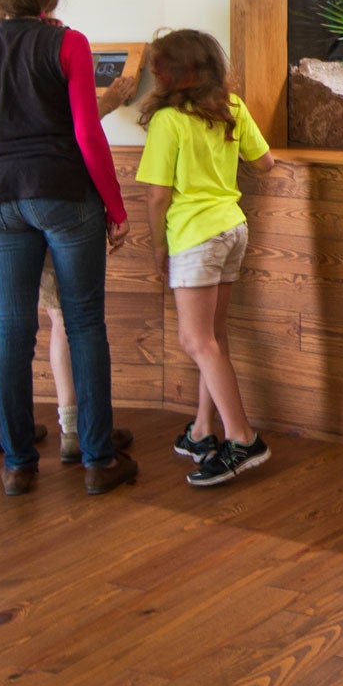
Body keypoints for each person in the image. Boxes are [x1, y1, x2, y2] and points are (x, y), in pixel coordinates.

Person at [0, 0, 135, 495]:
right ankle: (98, 460)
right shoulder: (68, 43)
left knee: (12, 327)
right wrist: (115, 207)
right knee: (82, 324)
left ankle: (17, 465)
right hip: (65, 195)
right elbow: (86, 133)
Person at [136, 29, 272, 488]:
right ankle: (201, 430)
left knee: (196, 342)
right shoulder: (232, 108)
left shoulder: (168, 122)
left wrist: (159, 248)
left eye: (159, 66)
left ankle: (243, 437)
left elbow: (157, 197)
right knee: (212, 336)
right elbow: (266, 162)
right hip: (232, 228)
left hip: (194, 237)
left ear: (178, 71)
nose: (153, 72)